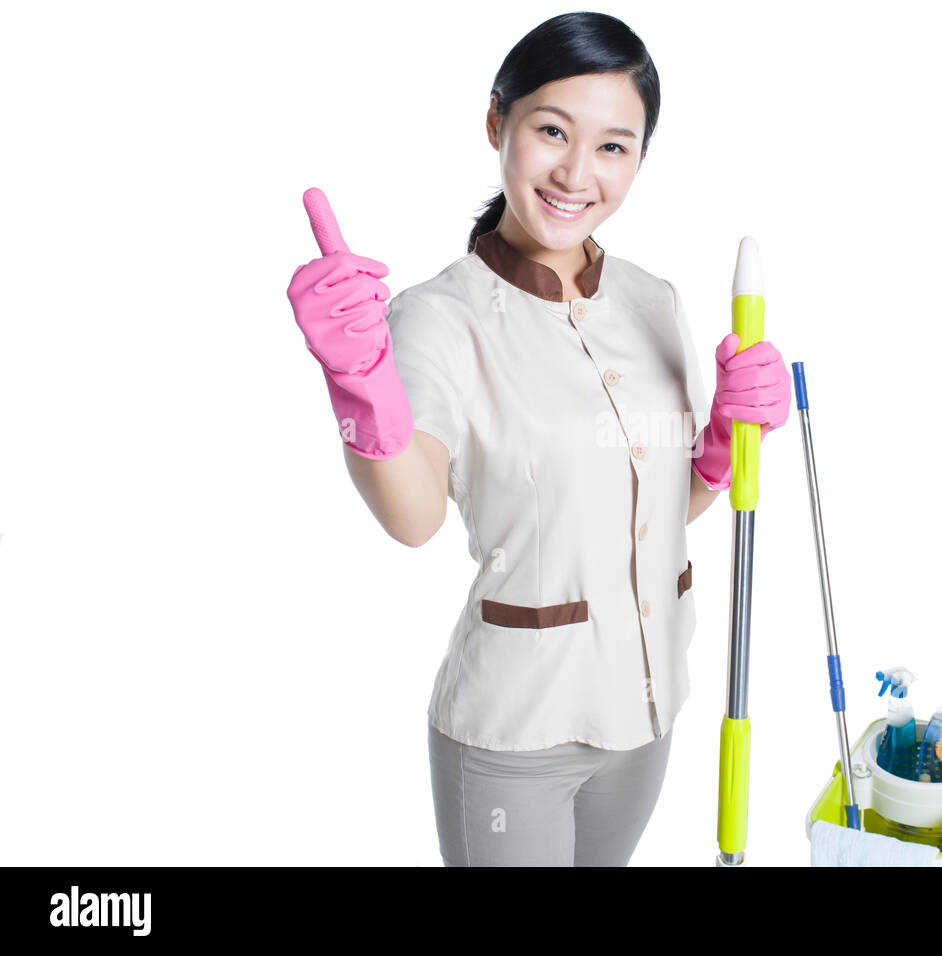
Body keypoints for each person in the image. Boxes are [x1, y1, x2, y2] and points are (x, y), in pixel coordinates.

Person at [286, 12, 791, 866]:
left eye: (613, 147)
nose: (575, 172)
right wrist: (359, 384)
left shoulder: (653, 301)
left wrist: (722, 446)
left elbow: (668, 505)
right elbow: (411, 517)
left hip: (647, 712)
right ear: (497, 123)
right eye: (551, 130)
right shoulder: (438, 320)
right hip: (515, 735)